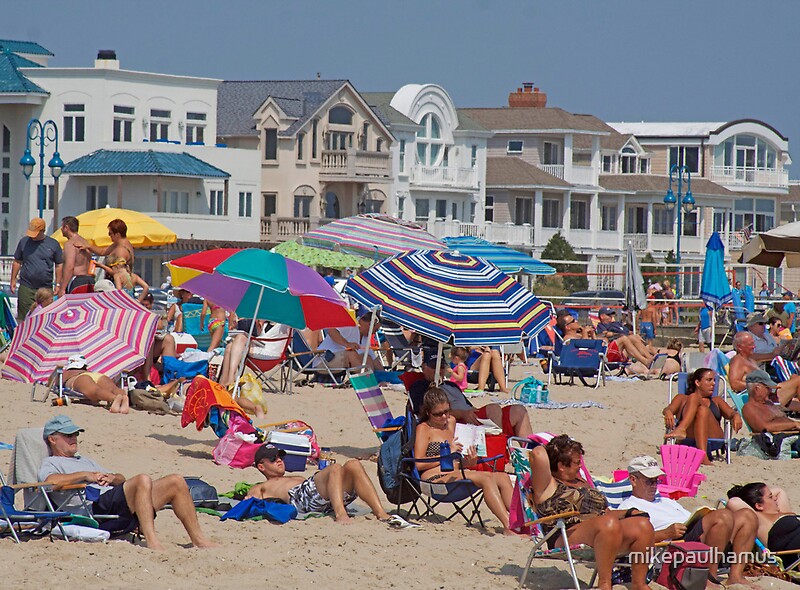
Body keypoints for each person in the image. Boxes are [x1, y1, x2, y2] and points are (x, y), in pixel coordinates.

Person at [38, 415, 217, 549]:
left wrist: (112, 478)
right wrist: (85, 475)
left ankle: (199, 539)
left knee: (176, 481)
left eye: (75, 434)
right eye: (68, 435)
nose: (73, 438)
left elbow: (121, 479)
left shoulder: (83, 459)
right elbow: (50, 483)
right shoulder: (50, 462)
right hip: (93, 510)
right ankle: (152, 541)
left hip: (114, 505)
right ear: (52, 439)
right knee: (142, 480)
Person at [529, 435, 654, 590]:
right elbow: (537, 454)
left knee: (643, 526)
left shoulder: (581, 482)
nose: (580, 466)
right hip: (565, 533)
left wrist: (629, 512)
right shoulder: (548, 485)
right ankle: (605, 584)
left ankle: (639, 584)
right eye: (576, 462)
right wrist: (558, 447)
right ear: (561, 465)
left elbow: (606, 513)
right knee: (608, 524)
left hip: (605, 529)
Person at [618, 456, 757, 586]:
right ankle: (708, 578)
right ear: (633, 480)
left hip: (696, 535)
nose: (654, 486)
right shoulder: (628, 508)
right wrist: (666, 533)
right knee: (722, 517)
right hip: (674, 546)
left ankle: (736, 576)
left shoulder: (665, 500)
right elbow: (629, 542)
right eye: (649, 481)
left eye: (657, 480)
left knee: (747, 516)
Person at [413, 388, 515, 534]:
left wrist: (468, 462)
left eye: (446, 411)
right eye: (438, 414)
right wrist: (446, 453)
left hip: (455, 471)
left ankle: (519, 523)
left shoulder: (451, 422)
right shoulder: (424, 429)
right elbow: (419, 463)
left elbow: (454, 460)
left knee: (502, 477)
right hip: (433, 479)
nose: (443, 417)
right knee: (486, 478)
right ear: (428, 413)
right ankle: (508, 526)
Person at [246, 444, 417, 528]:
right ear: (261, 466)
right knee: (334, 468)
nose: (279, 461)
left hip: (321, 498)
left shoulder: (295, 476)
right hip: (299, 499)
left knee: (353, 465)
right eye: (273, 459)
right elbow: (249, 503)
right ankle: (340, 514)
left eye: (280, 457)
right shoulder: (262, 486)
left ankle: (381, 513)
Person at [408, 349, 532, 438]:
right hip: (458, 422)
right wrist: (462, 413)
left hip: (473, 417)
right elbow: (426, 414)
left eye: (441, 366)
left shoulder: (451, 385)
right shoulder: (420, 386)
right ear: (424, 367)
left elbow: (469, 406)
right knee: (493, 409)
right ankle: (499, 451)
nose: (438, 370)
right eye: (434, 366)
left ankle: (529, 458)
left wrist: (474, 412)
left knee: (518, 410)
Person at [663, 368, 742, 463]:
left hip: (714, 436)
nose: (713, 384)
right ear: (697, 382)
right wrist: (668, 412)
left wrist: (736, 415)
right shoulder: (681, 398)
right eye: (709, 380)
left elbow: (731, 413)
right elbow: (669, 409)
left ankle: (681, 429)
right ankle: (703, 456)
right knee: (702, 410)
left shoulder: (717, 401)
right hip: (690, 435)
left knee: (696, 400)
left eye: (714, 380)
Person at [10, 218, 64, 321]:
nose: (32, 236)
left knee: (45, 318)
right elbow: (17, 261)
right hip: (27, 286)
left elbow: (59, 265)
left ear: (42, 231)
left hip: (45, 288)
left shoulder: (53, 244)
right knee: (24, 318)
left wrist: (58, 284)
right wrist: (13, 279)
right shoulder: (24, 242)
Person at [727, 483, 800, 553]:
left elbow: (779, 491)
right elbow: (734, 502)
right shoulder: (761, 521)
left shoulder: (782, 512)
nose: (775, 498)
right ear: (758, 506)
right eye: (770, 497)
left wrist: (759, 494)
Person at [47, 354, 130, 413]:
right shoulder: (88, 371)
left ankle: (114, 398)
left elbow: (52, 383)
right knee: (113, 388)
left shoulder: (66, 373)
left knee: (96, 391)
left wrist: (55, 373)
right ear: (85, 365)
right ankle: (123, 397)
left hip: (79, 378)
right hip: (97, 375)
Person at [314, 312, 382, 371]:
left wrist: (386, 375)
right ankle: (367, 380)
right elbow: (332, 331)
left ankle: (372, 380)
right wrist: (347, 344)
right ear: (370, 324)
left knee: (367, 357)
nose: (374, 333)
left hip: (339, 363)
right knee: (351, 354)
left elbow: (374, 360)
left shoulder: (365, 339)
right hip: (324, 361)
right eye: (375, 330)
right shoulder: (350, 326)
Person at [57, 216, 94, 296]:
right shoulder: (85, 242)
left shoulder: (70, 244)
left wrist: (62, 288)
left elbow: (69, 267)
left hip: (77, 281)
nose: (61, 230)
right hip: (89, 280)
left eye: (62, 227)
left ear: (66, 227)